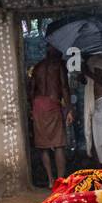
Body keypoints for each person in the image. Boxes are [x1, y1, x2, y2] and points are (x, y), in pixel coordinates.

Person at [28, 46, 71, 185]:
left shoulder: (38, 67)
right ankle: (61, 179)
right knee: (58, 144)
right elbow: (64, 87)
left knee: (43, 146)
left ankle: (50, 180)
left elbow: (31, 90)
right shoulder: (59, 65)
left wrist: (31, 109)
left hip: (38, 105)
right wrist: (69, 108)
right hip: (53, 103)